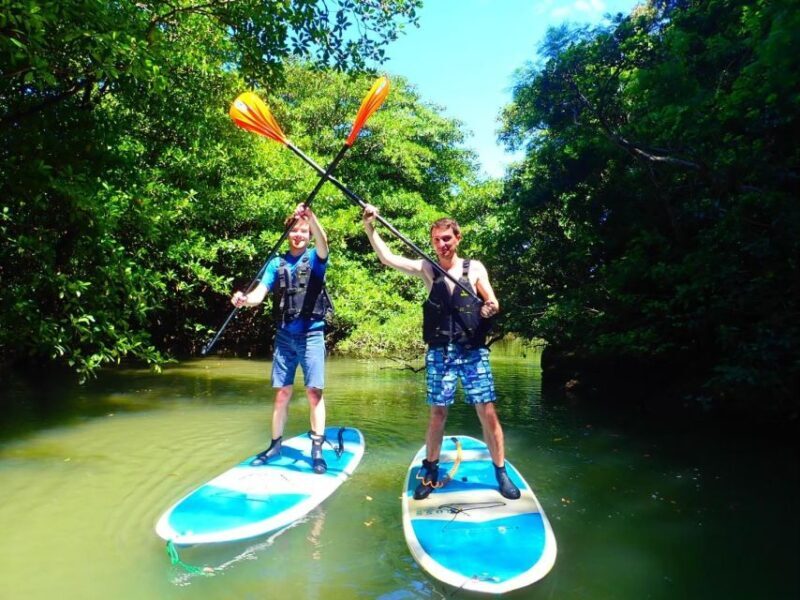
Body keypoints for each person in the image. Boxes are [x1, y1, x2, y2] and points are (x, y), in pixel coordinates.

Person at [362, 205, 520, 500]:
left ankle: (500, 472)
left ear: (457, 238)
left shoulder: (474, 268)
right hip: (440, 353)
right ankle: (431, 468)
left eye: (447, 238)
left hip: (472, 351)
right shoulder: (427, 268)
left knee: (487, 412)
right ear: (432, 242)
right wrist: (370, 227)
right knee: (437, 414)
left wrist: (490, 307)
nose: (442, 244)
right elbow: (387, 258)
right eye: (437, 240)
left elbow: (493, 301)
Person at [231, 203, 333, 474]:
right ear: (287, 233)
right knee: (282, 394)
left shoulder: (314, 259)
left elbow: (324, 244)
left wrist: (313, 218)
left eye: (303, 231)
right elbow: (259, 293)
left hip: (312, 334)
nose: (298, 235)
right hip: (285, 337)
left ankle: (317, 448)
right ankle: (275, 444)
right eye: (294, 231)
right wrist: (244, 300)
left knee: (314, 393)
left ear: (308, 234)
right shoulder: (276, 264)